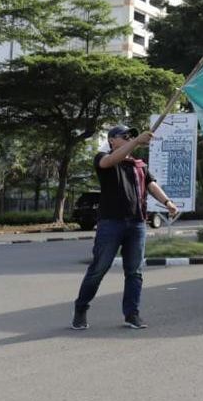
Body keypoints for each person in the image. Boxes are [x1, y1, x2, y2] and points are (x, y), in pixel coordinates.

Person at [71, 125, 178, 330]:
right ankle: (81, 307)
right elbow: (108, 161)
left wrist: (167, 202)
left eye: (132, 136)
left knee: (134, 271)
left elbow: (151, 184)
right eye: (125, 136)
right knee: (99, 269)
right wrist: (136, 141)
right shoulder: (104, 158)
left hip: (137, 223)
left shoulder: (138, 165)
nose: (130, 138)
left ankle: (132, 314)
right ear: (112, 140)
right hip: (111, 223)